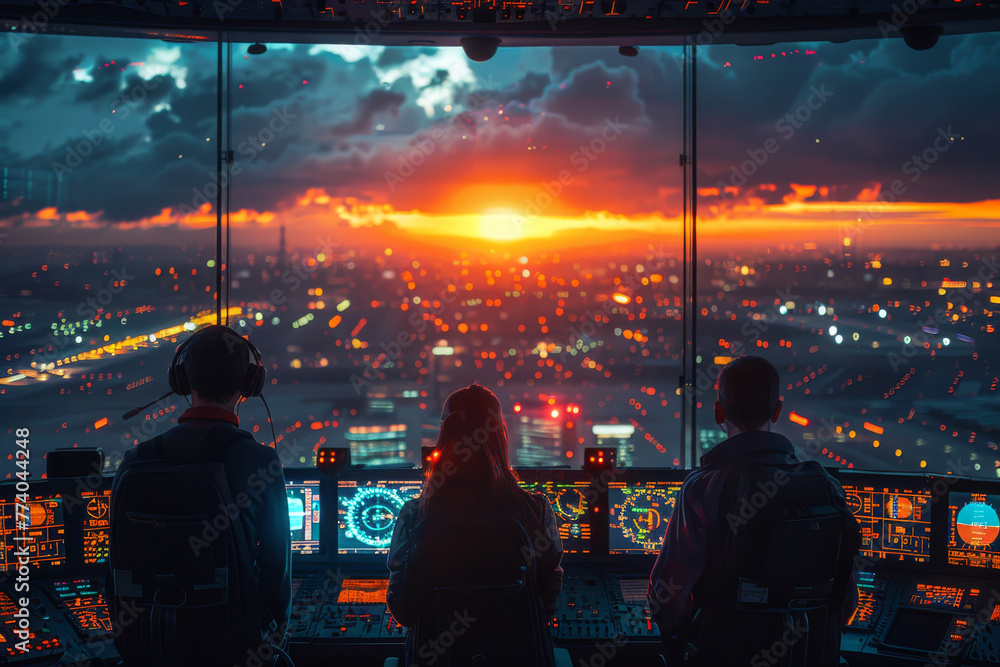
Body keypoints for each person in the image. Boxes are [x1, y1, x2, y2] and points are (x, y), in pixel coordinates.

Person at [648, 356, 860, 666]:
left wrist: (677, 634)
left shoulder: (703, 486)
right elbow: (846, 601)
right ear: (778, 410)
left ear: (719, 412)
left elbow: (668, 594)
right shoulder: (825, 485)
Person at [108, 325, 291, 666]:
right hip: (232, 648)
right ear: (249, 384)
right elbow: (276, 574)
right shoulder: (260, 462)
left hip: (149, 645)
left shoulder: (135, 461)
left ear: (181, 381)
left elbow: (116, 568)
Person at [387, 383, 563, 666]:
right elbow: (545, 606)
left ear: (444, 435)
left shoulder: (414, 515)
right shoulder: (537, 510)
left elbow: (405, 611)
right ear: (501, 435)